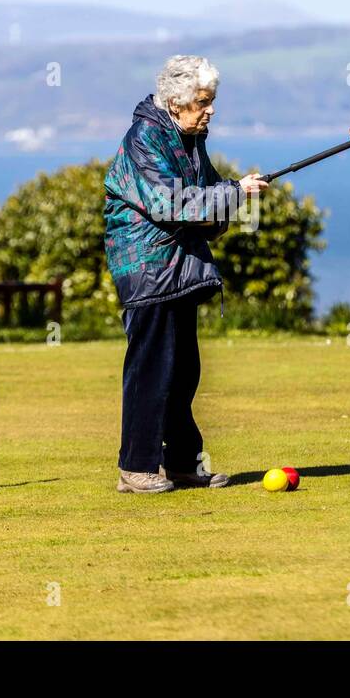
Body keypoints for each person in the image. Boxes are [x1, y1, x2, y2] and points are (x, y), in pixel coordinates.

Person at [103, 55, 268, 493]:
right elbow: (171, 203)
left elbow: (208, 198)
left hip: (179, 268)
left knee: (183, 371)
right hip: (146, 268)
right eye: (202, 101)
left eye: (211, 101)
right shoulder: (145, 138)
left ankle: (180, 463)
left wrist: (236, 190)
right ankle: (135, 467)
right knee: (151, 370)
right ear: (176, 103)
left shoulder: (191, 137)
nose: (210, 109)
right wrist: (231, 194)